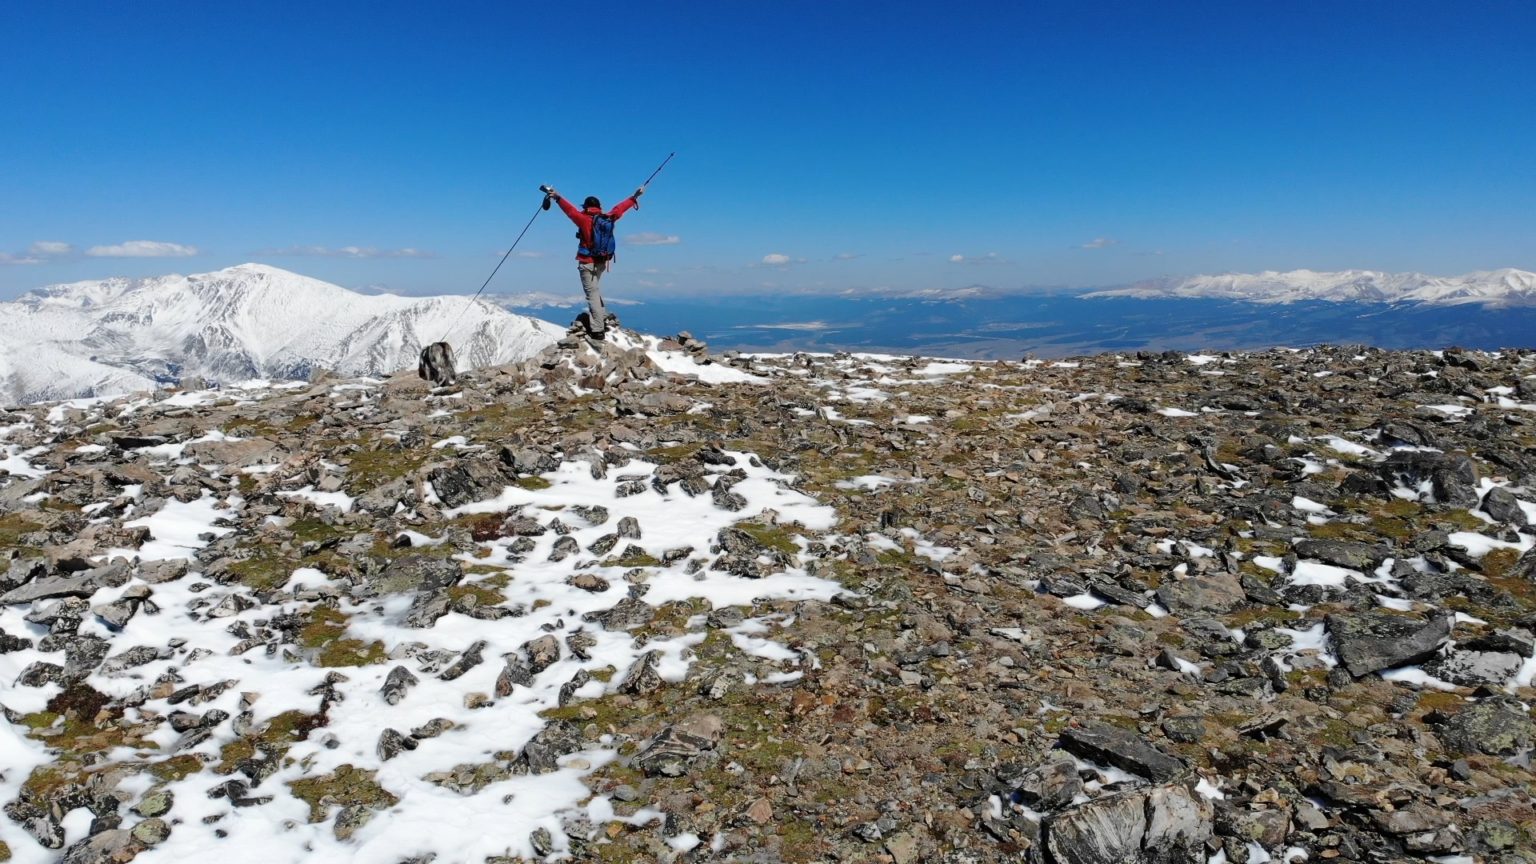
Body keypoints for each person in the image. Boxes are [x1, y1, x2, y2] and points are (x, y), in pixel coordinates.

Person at [542, 185, 645, 339]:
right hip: (602, 262)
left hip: (587, 262)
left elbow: (569, 210)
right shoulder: (608, 217)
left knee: (591, 294)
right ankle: (602, 316)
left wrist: (556, 197)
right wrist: (634, 197)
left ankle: (597, 329)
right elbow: (619, 209)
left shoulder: (582, 219)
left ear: (586, 207)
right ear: (599, 207)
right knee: (595, 290)